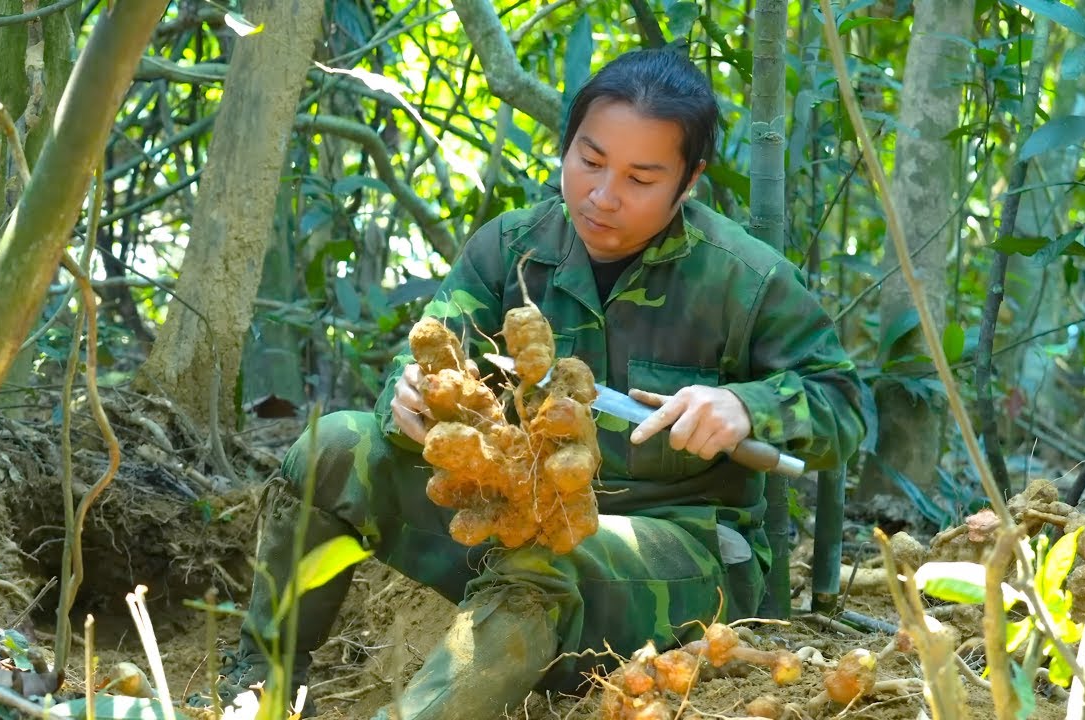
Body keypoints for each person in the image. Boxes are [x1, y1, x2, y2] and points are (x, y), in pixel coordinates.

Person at [227, 47, 865, 720]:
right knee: (333, 447)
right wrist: (411, 399)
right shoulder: (510, 249)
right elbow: (423, 361)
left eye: (641, 178)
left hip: (681, 554)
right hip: (514, 514)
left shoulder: (745, 280)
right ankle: (258, 687)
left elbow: (847, 409)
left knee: (540, 565)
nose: (603, 195)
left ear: (689, 181)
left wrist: (745, 405)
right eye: (589, 162)